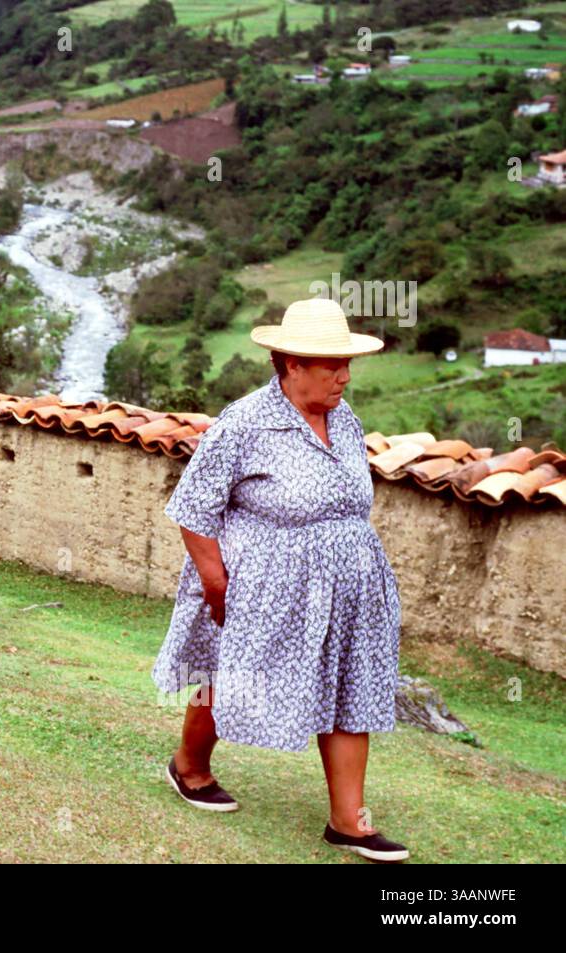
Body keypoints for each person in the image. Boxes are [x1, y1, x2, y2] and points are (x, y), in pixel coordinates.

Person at [152, 297, 409, 863]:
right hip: (266, 582)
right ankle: (189, 767)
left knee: (350, 688)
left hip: (352, 586)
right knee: (235, 674)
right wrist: (217, 587)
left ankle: (348, 821)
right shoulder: (245, 422)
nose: (343, 376)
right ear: (291, 363)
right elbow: (193, 510)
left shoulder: (345, 420)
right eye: (329, 365)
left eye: (347, 365)